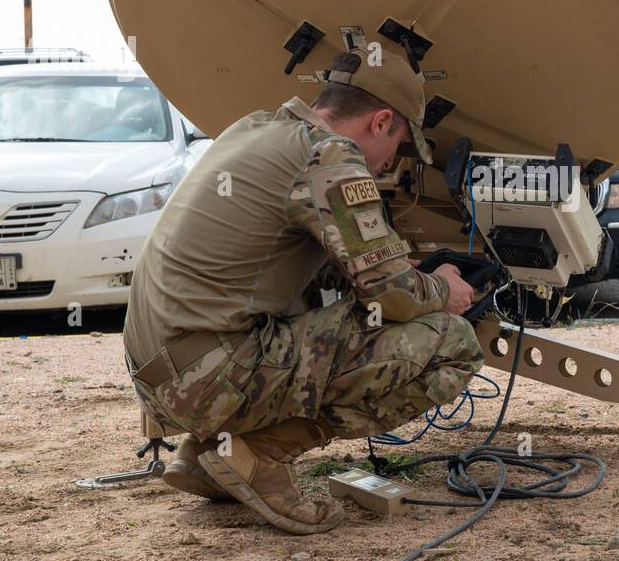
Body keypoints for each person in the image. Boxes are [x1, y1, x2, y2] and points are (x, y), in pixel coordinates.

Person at [122, 45, 483, 534]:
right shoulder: (331, 155)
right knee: (453, 341)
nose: (386, 165)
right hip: (208, 379)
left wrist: (393, 268)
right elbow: (391, 295)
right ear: (379, 122)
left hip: (160, 374)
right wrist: (441, 290)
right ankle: (261, 454)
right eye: (396, 145)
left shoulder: (254, 128)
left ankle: (210, 453)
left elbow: (271, 260)